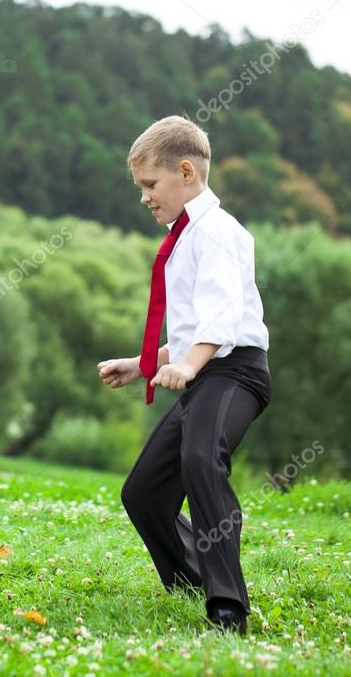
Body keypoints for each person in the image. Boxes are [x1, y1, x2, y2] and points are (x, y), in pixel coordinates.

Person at [97, 116, 270, 634]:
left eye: (150, 185)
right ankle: (193, 579)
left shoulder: (216, 232)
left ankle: (227, 605)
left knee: (201, 459)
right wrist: (146, 364)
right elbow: (194, 325)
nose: (145, 198)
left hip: (235, 374)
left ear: (187, 171)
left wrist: (191, 363)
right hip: (205, 371)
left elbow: (222, 317)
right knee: (144, 493)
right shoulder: (186, 236)